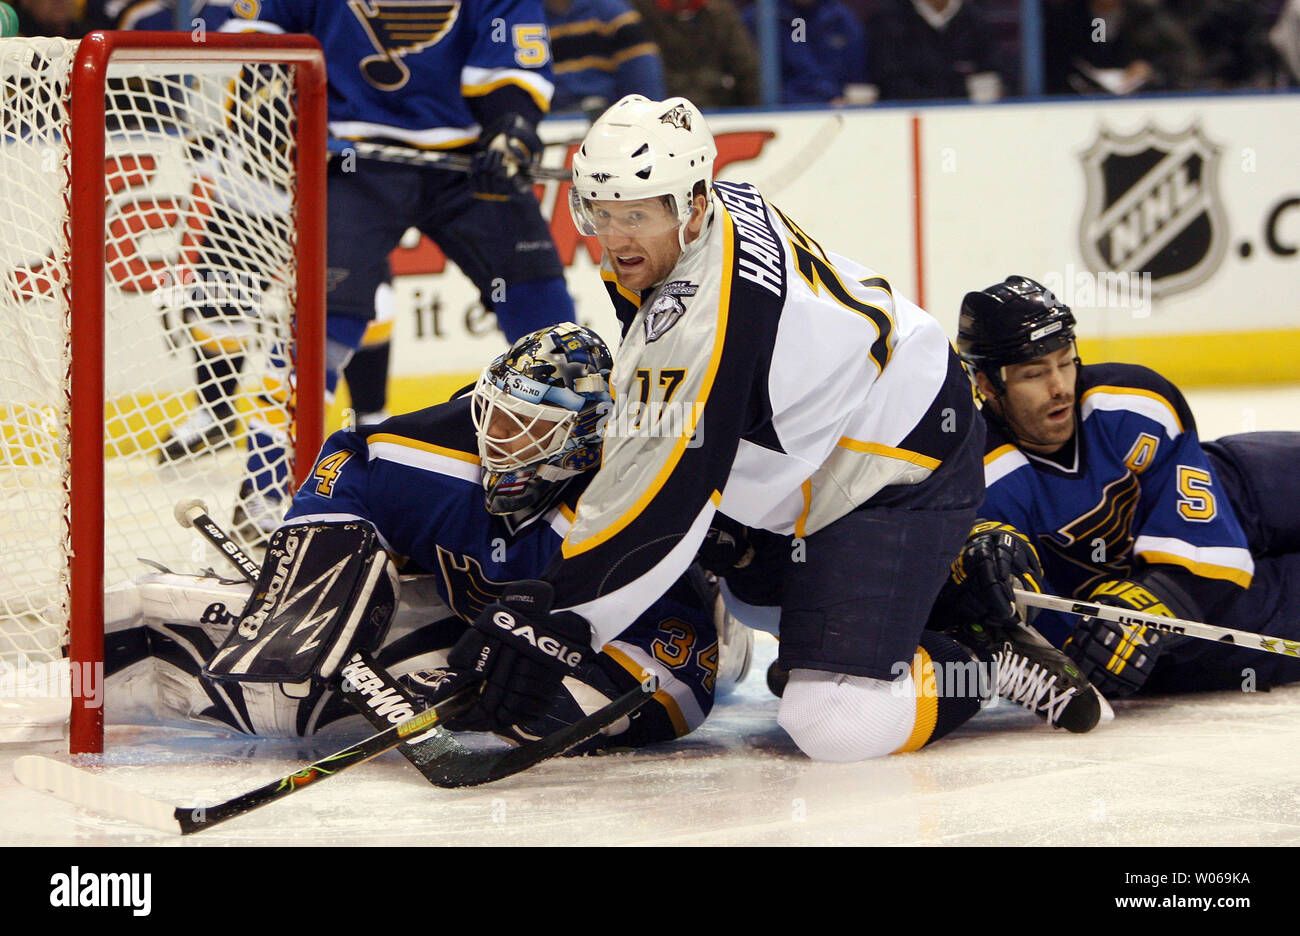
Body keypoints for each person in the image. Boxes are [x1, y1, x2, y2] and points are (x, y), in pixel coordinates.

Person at [406, 94, 1113, 766]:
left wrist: (558, 620)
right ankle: (932, 604)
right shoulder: (716, 215)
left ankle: (979, 657)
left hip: (899, 466)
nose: (616, 238)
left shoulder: (699, 320)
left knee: (829, 720)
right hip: (825, 446)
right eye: (602, 211)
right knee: (742, 581)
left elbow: (667, 493)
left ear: (691, 206)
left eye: (638, 214)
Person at [106, 323, 744, 749]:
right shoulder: (434, 451)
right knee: (295, 652)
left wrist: (550, 698)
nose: (496, 442)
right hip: (470, 607)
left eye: (527, 428)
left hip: (700, 622)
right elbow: (345, 462)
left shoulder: (631, 504)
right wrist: (319, 563)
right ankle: (125, 643)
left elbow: (687, 675)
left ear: (582, 439)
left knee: (489, 692)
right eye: (493, 414)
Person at [135, 0, 578, 539]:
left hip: (468, 162)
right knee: (320, 327)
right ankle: (266, 491)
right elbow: (248, 23)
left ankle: (576, 472)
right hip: (351, 159)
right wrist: (266, 97)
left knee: (546, 314)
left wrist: (512, 128)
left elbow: (512, 57)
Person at [951, 275, 1300, 699]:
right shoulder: (975, 480)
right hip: (1201, 611)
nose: (1060, 387)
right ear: (986, 385)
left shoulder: (1134, 402)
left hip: (1243, 490)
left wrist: (1146, 606)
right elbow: (1043, 637)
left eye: (1065, 361)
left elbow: (1206, 541)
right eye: (1034, 374)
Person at [544, 0, 666, 116]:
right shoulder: (529, 18)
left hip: (608, 116)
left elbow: (644, 80)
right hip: (545, 118)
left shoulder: (613, 13)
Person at [632, 0, 759, 107]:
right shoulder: (636, 12)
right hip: (659, 109)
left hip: (717, 105)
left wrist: (754, 115)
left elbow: (747, 69)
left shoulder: (719, 11)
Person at [740, 0, 869, 105]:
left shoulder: (842, 21)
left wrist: (844, 99)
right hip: (782, 113)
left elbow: (856, 79)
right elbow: (752, 85)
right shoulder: (758, 21)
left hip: (838, 110)